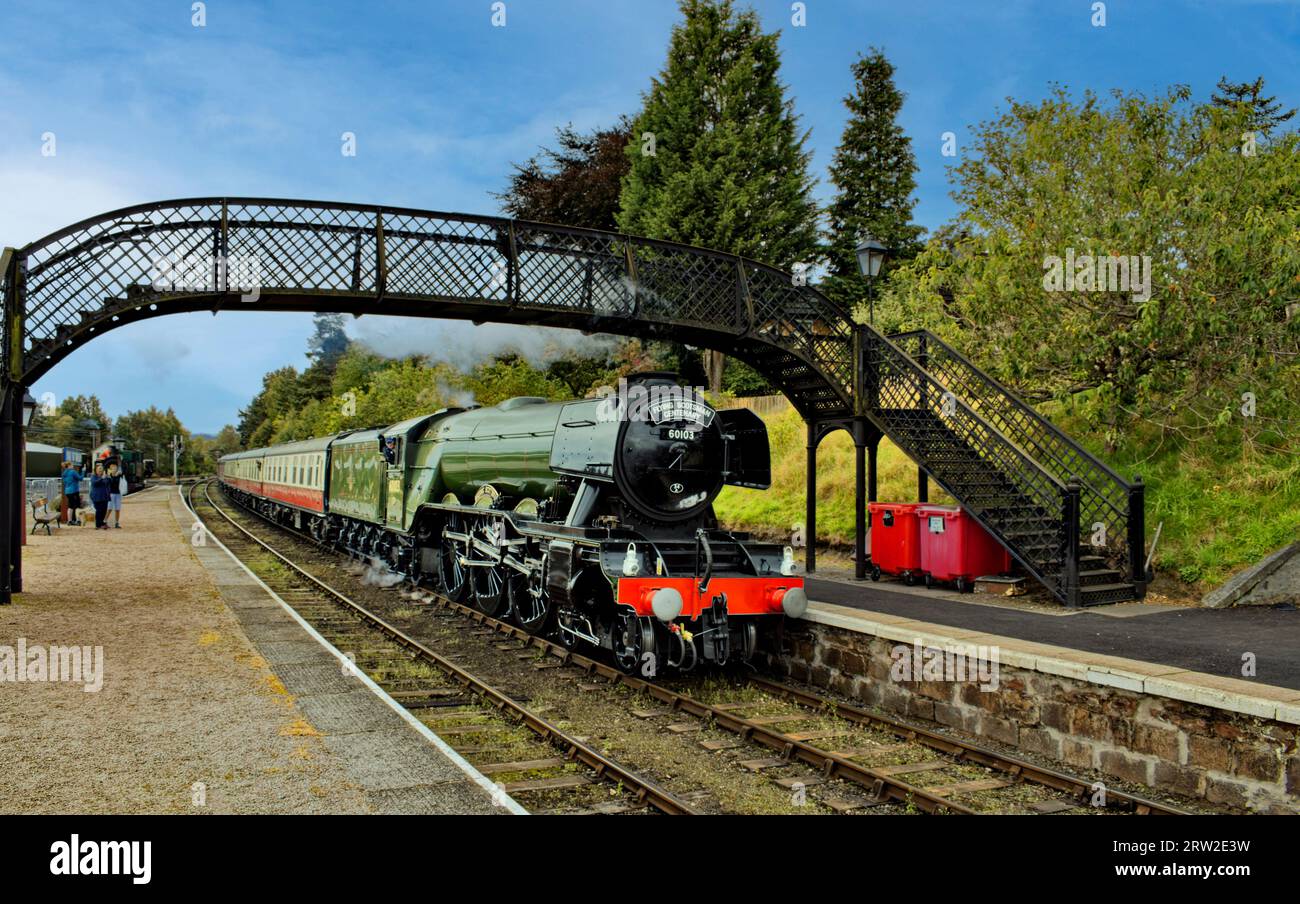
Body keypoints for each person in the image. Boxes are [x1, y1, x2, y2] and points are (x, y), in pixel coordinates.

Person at [61, 460, 84, 526]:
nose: (73, 466)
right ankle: (77, 520)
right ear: (69, 466)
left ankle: (69, 520)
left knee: (70, 506)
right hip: (74, 491)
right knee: (76, 506)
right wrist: (83, 471)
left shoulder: (64, 473)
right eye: (71, 465)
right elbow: (80, 478)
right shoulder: (73, 472)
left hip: (67, 491)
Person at [89, 463, 112, 530]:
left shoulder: (105, 476)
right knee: (99, 510)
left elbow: (109, 482)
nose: (100, 470)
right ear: (96, 470)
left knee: (104, 511)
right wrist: (102, 478)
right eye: (99, 469)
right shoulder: (93, 476)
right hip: (97, 497)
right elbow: (95, 483)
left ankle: (102, 523)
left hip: (104, 496)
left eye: (101, 469)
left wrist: (109, 477)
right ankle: (97, 525)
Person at [107, 463, 127, 528]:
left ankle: (117, 522)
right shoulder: (109, 476)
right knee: (109, 508)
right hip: (111, 494)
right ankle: (104, 521)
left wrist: (121, 473)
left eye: (116, 468)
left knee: (117, 509)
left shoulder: (119, 475)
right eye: (113, 468)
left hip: (118, 494)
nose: (114, 470)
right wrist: (115, 476)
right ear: (110, 469)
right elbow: (111, 484)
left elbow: (125, 472)